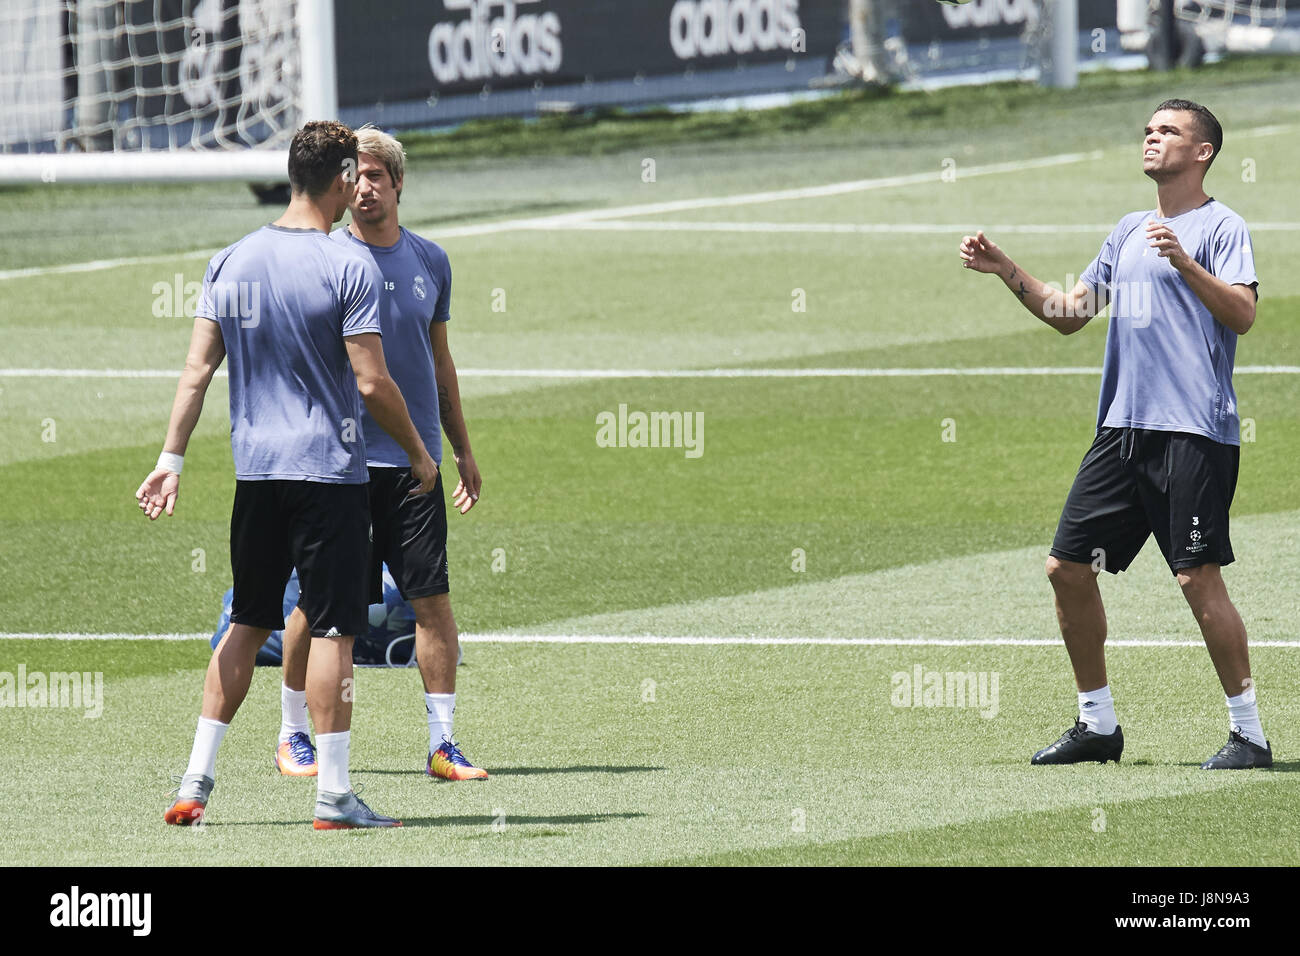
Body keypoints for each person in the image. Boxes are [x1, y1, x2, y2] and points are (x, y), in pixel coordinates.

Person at [137, 121, 440, 829]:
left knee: (246, 623)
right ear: (339, 180)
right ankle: (334, 796)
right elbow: (372, 383)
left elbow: (196, 372)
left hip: (258, 475)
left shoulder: (231, 260)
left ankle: (195, 781)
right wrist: (421, 455)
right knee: (335, 633)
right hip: (329, 479)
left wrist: (170, 460)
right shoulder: (347, 266)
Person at [958, 99, 1270, 769]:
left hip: (1193, 434)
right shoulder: (1130, 228)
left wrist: (1186, 264)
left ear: (1203, 151)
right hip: (1121, 433)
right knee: (1067, 569)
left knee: (1196, 580)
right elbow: (1069, 313)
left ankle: (1250, 735)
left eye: (1169, 132)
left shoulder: (1222, 226)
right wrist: (1007, 270)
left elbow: (1242, 313)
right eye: (1150, 131)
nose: (1153, 140)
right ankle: (1097, 725)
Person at [272, 124, 487, 783]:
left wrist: (462, 451)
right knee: (319, 606)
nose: (362, 186)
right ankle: (291, 735)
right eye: (352, 175)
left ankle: (443, 745)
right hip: (340, 469)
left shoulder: (431, 261)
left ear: (397, 183)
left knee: (433, 601)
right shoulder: (323, 259)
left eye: (374, 175)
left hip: (416, 469)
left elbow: (440, 365)